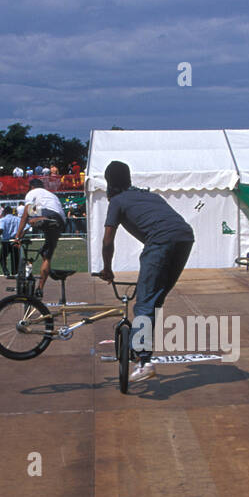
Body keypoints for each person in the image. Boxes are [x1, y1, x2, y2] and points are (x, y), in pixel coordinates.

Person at [95, 160, 195, 383]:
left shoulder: (117, 201)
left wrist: (107, 269)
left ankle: (144, 361)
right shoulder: (150, 196)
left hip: (161, 241)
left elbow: (108, 240)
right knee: (155, 299)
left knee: (145, 302)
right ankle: (142, 347)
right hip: (185, 237)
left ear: (109, 183)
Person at [15, 178, 66, 296]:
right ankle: (40, 288)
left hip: (45, 213)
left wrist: (17, 236)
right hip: (60, 221)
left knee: (30, 216)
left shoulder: (32, 193)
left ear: (31, 187)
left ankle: (43, 220)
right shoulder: (51, 195)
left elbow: (24, 216)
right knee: (47, 257)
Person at [0, 203, 22, 276]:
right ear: (12, 212)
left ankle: (6, 271)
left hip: (6, 241)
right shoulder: (18, 219)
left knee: (2, 257)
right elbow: (26, 227)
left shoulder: (2, 220)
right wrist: (19, 237)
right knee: (15, 258)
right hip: (15, 240)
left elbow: (1, 229)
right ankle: (15, 272)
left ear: (4, 212)